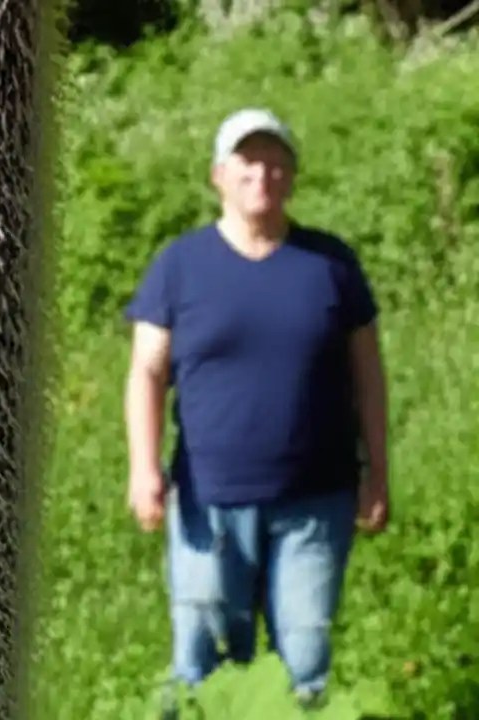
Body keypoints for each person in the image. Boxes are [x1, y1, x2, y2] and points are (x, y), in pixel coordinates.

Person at [121, 108, 390, 713]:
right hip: (208, 501)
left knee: (305, 666)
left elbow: (368, 375)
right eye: (247, 160)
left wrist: (378, 471)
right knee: (204, 663)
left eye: (275, 161)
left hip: (316, 501)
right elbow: (146, 372)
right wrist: (143, 467)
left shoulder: (332, 265)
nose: (261, 174)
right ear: (219, 174)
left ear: (292, 175)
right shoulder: (179, 266)